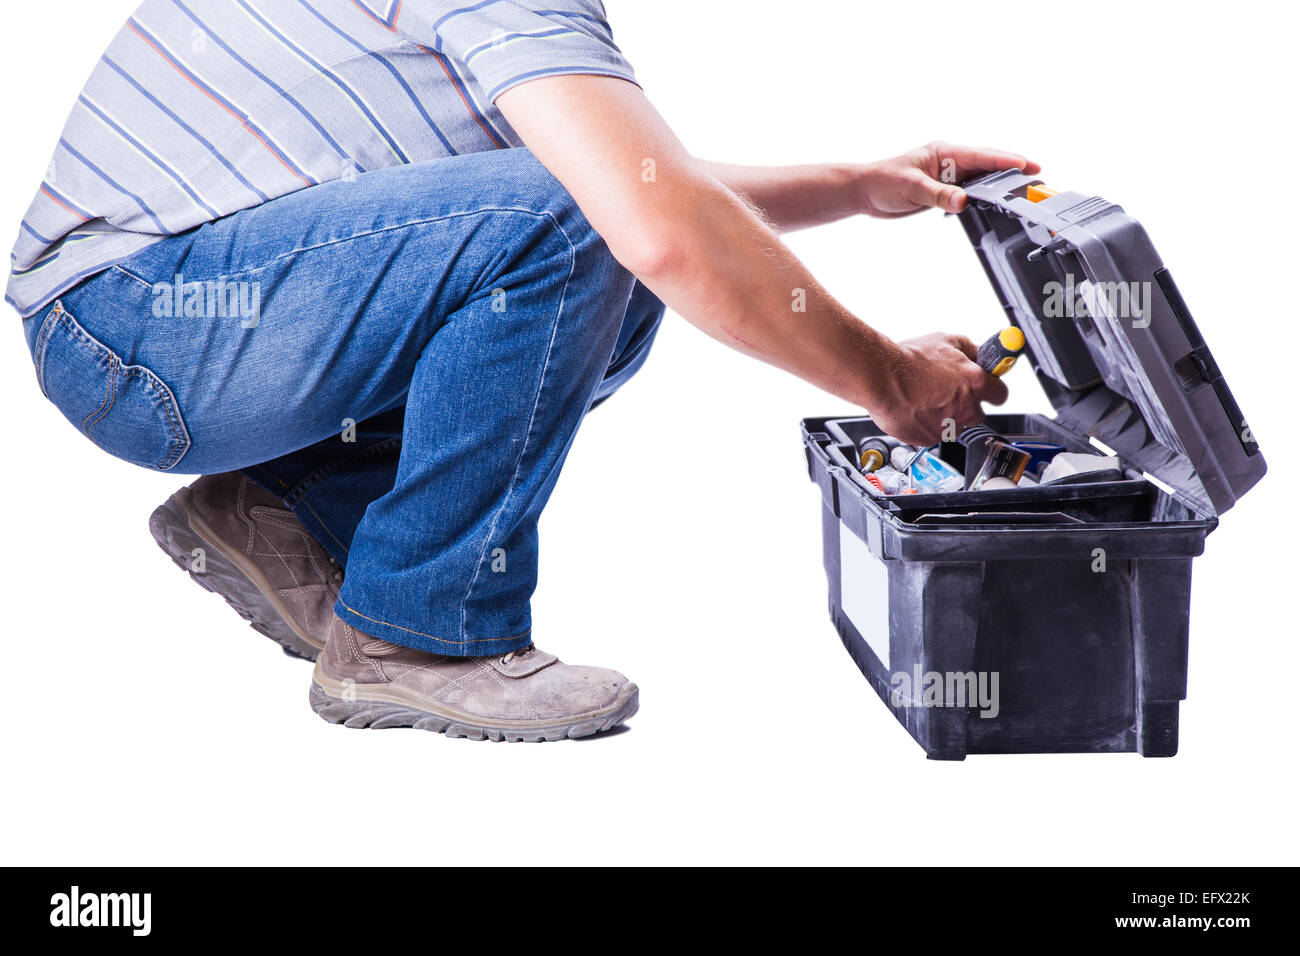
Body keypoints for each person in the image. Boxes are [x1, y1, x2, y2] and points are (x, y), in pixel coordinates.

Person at [10, 0, 1031, 742]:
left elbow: (638, 183)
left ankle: (289, 507)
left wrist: (858, 185)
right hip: (139, 324)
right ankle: (419, 633)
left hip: (154, 320)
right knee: (588, 235)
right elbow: (649, 220)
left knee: (601, 275)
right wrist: (890, 382)